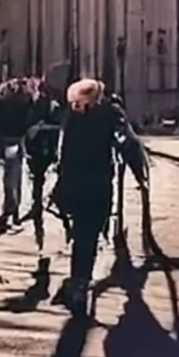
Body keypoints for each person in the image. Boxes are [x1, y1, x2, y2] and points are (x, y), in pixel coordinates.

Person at [55, 78, 145, 316]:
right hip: (97, 185)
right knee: (88, 235)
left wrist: (61, 186)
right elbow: (127, 143)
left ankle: (78, 282)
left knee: (82, 235)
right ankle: (79, 283)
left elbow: (64, 154)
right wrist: (139, 173)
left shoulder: (73, 118)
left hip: (78, 185)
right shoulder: (109, 114)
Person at [23, 80, 61, 253]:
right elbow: (26, 123)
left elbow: (59, 125)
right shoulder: (33, 104)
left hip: (45, 146)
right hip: (36, 147)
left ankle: (41, 203)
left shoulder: (53, 106)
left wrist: (41, 127)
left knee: (40, 177)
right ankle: (36, 204)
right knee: (37, 177)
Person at [0, 78, 33, 227]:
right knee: (15, 176)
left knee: (9, 177)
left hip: (8, 141)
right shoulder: (25, 103)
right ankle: (14, 209)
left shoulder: (3, 103)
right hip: (19, 140)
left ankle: (11, 208)